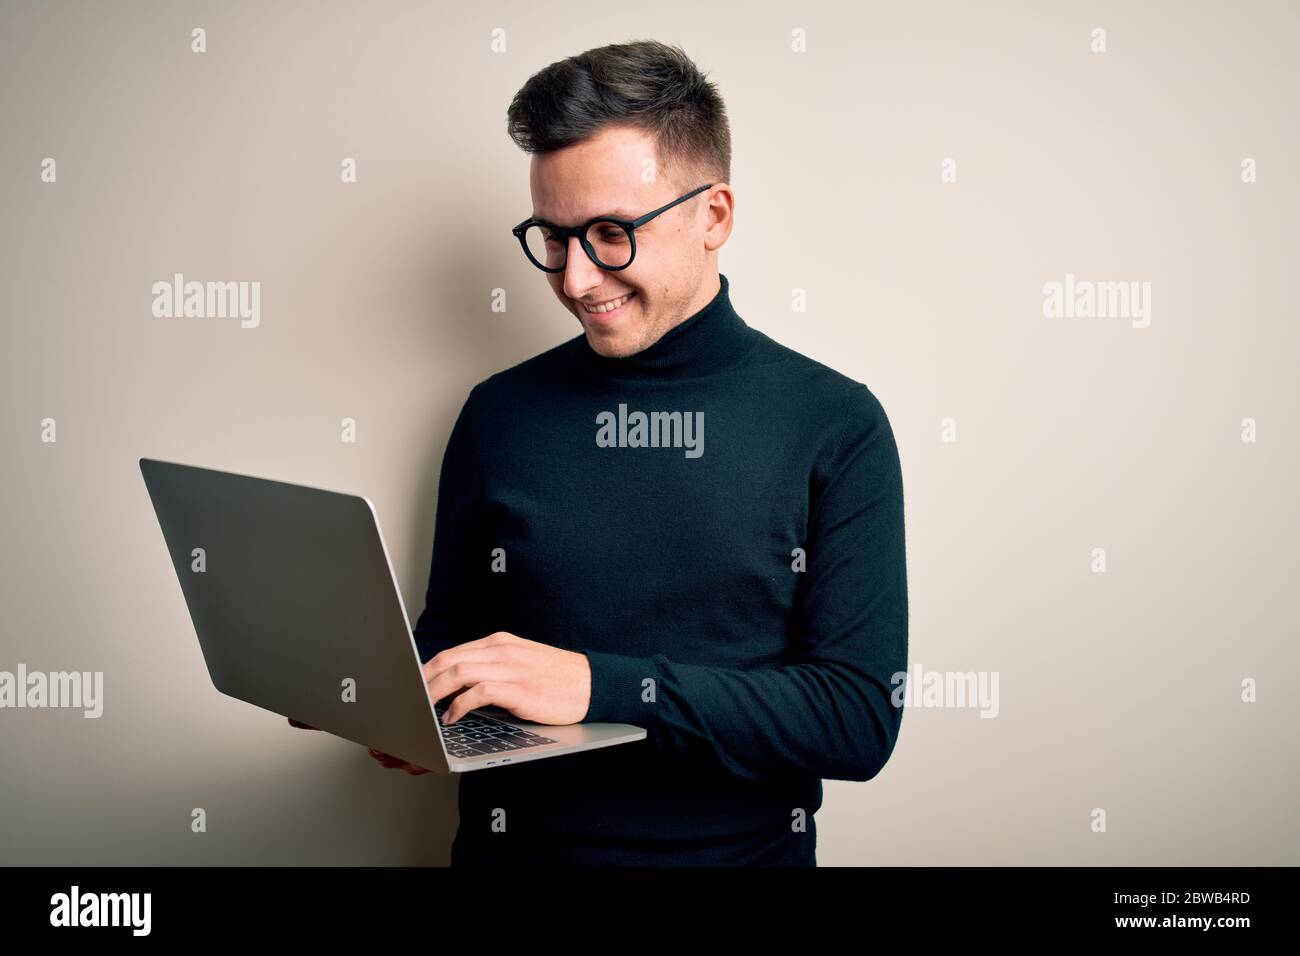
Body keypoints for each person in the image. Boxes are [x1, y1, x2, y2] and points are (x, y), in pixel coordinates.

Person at [295, 39, 908, 867]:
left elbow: (856, 718)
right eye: (553, 236)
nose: (577, 278)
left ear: (714, 216)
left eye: (611, 233)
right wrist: (406, 703)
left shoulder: (836, 424)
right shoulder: (497, 415)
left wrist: (602, 686)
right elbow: (455, 644)